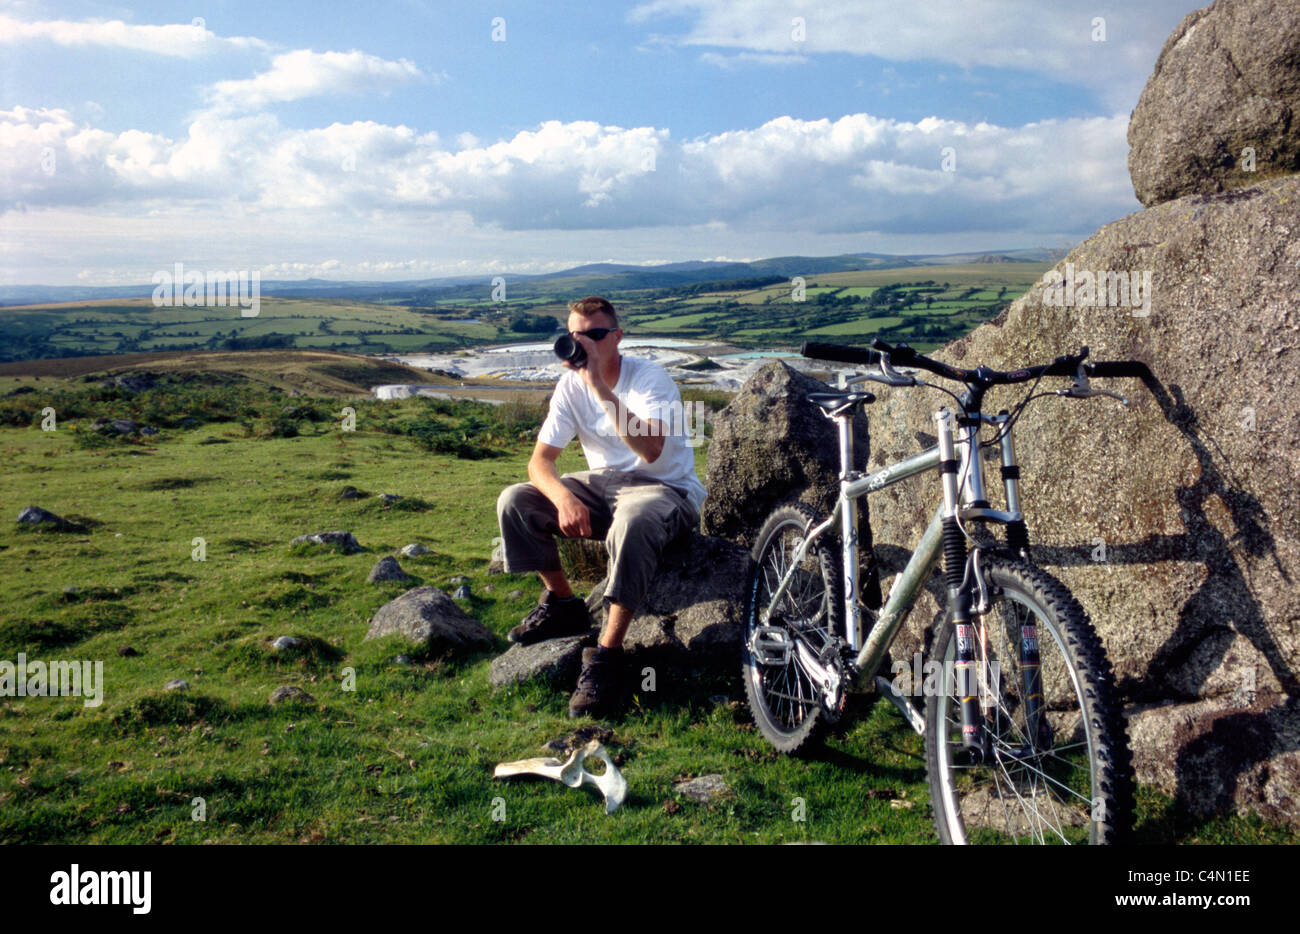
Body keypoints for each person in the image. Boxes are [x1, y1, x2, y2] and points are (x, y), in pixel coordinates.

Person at [496, 296, 706, 718]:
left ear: (617, 338)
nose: (584, 344)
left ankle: (606, 657)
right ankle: (563, 604)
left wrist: (598, 385)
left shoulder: (650, 379)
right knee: (516, 499)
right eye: (576, 336)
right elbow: (539, 462)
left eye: (594, 335)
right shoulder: (568, 386)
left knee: (634, 519)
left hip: (665, 490)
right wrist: (563, 497)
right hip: (605, 485)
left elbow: (649, 450)